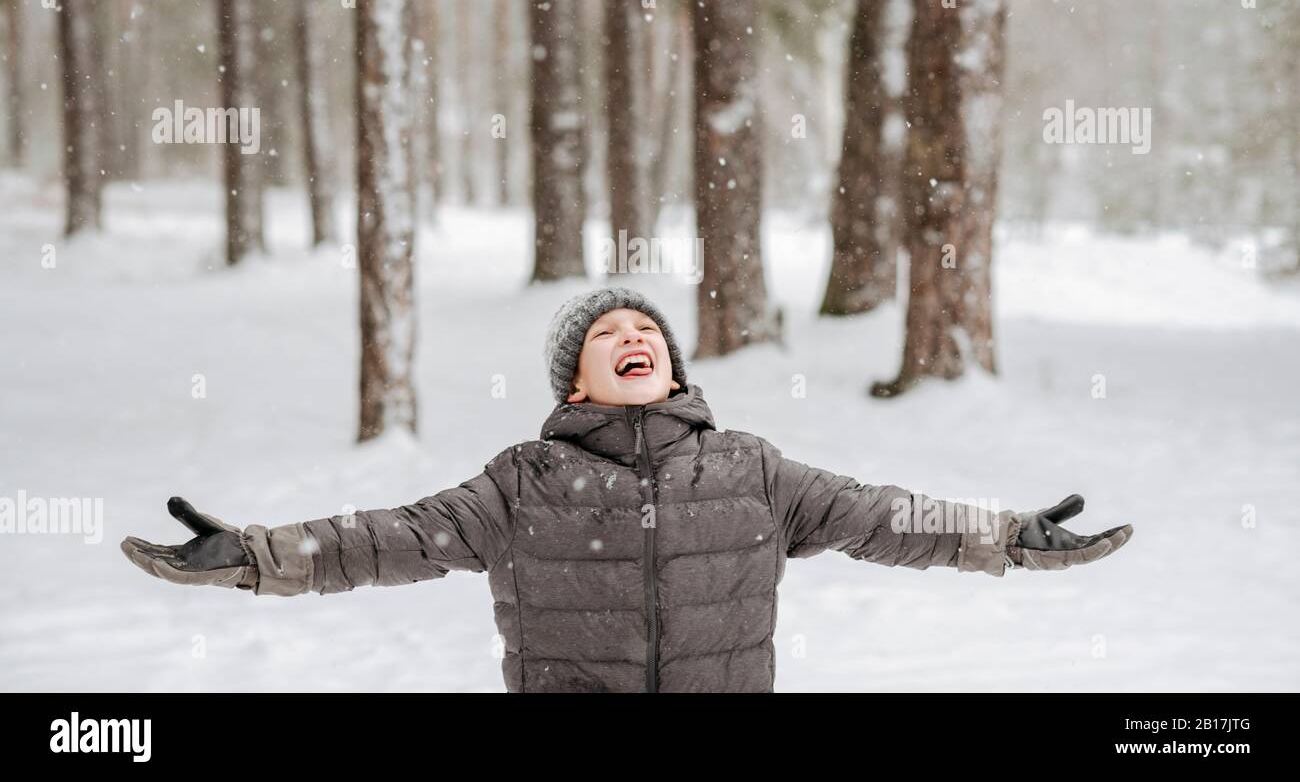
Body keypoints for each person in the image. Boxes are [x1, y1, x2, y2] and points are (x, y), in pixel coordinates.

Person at [122, 287, 1133, 692]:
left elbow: (888, 516)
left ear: (678, 367)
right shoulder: (523, 482)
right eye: (609, 334)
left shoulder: (750, 467)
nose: (634, 336)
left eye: (647, 330)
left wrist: (1007, 533)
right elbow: (386, 536)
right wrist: (254, 554)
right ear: (575, 380)